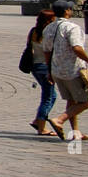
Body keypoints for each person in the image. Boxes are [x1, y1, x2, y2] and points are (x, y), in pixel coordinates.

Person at [43, 0, 88, 141]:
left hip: (57, 70)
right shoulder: (72, 28)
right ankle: (59, 120)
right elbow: (77, 48)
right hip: (72, 71)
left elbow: (47, 52)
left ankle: (76, 132)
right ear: (67, 11)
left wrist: (49, 70)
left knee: (72, 101)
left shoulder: (49, 28)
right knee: (85, 102)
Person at [26, 8, 58, 136]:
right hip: (45, 67)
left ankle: (37, 120)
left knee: (52, 95)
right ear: (49, 20)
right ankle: (41, 127)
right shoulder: (48, 34)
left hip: (35, 66)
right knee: (47, 97)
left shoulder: (34, 31)